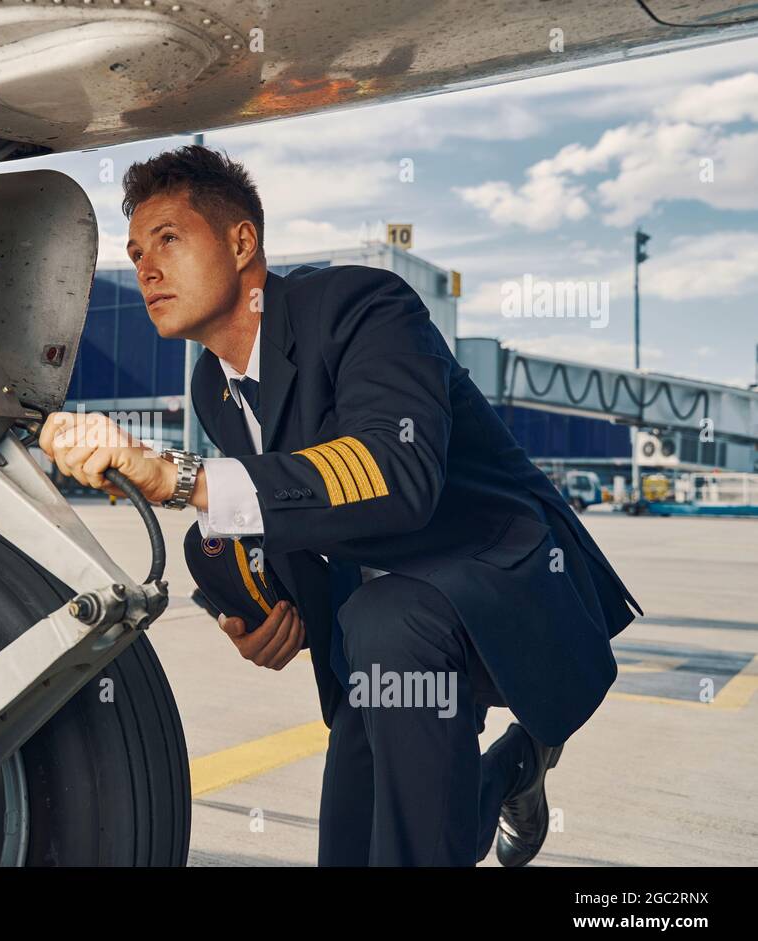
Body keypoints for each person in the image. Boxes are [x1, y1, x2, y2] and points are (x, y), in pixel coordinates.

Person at [38, 145, 640, 866]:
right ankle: (510, 771)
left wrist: (179, 475)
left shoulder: (360, 305)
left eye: (168, 238)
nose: (146, 268)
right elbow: (278, 511)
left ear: (241, 241)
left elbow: (394, 471)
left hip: (500, 581)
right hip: (373, 624)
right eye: (135, 251)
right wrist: (251, 610)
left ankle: (516, 760)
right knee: (355, 837)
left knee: (384, 627)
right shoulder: (212, 385)